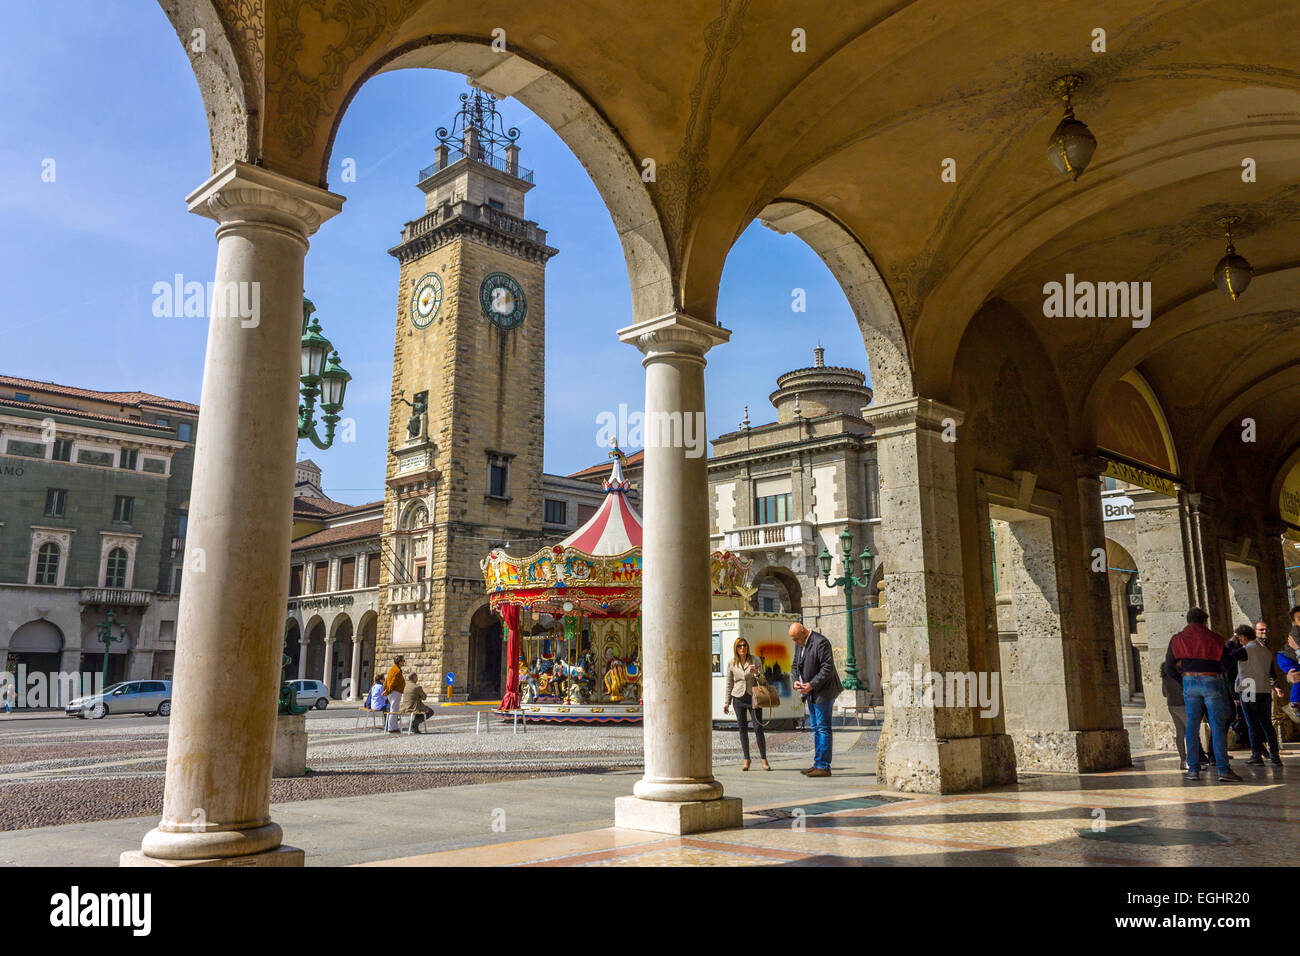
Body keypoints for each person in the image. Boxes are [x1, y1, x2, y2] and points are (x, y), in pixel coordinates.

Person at [1165, 608, 1239, 781]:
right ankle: (1223, 769)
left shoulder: (1177, 639)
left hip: (1189, 682)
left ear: (1188, 620)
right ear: (1205, 621)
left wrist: (1183, 680)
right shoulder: (1215, 638)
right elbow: (1227, 664)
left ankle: (1193, 769)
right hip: (1211, 681)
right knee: (1217, 725)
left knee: (1192, 725)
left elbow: (1169, 666)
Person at [790, 621, 842, 777]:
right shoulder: (800, 643)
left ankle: (824, 766)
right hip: (810, 692)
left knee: (823, 728)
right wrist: (795, 680)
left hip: (823, 692)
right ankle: (818, 763)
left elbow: (828, 668)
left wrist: (811, 685)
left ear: (804, 632)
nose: (795, 642)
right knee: (816, 727)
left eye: (796, 639)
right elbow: (795, 665)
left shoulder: (821, 642)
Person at [1234, 622, 1282, 766]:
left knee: (1252, 724)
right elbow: (1271, 672)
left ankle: (1256, 755)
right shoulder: (1266, 651)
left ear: (1243, 636)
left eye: (1239, 637)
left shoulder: (1244, 650)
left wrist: (1232, 642)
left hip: (1249, 688)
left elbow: (1227, 655)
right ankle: (1275, 755)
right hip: (1264, 689)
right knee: (1267, 723)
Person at [723, 637, 771, 771]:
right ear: (736, 649)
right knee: (742, 729)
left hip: (753, 697)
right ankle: (746, 759)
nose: (742, 648)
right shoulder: (732, 663)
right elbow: (729, 683)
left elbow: (763, 680)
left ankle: (763, 759)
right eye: (739, 646)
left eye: (744, 645)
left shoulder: (755, 660)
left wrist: (756, 673)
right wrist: (727, 702)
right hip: (738, 698)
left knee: (758, 728)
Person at [1159, 653, 1206, 771]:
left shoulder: (1165, 675)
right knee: (1192, 733)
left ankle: (1183, 760)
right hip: (1182, 705)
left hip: (1172, 705)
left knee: (1180, 733)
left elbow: (1164, 693)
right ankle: (1193, 762)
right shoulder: (1178, 675)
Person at [382, 655, 406, 733]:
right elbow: (392, 683)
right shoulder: (397, 671)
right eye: (403, 660)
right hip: (395, 692)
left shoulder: (392, 669)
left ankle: (394, 726)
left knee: (394, 709)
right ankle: (391, 728)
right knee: (394, 710)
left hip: (392, 692)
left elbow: (386, 680)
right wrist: (387, 690)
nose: (404, 662)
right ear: (399, 662)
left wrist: (385, 689)